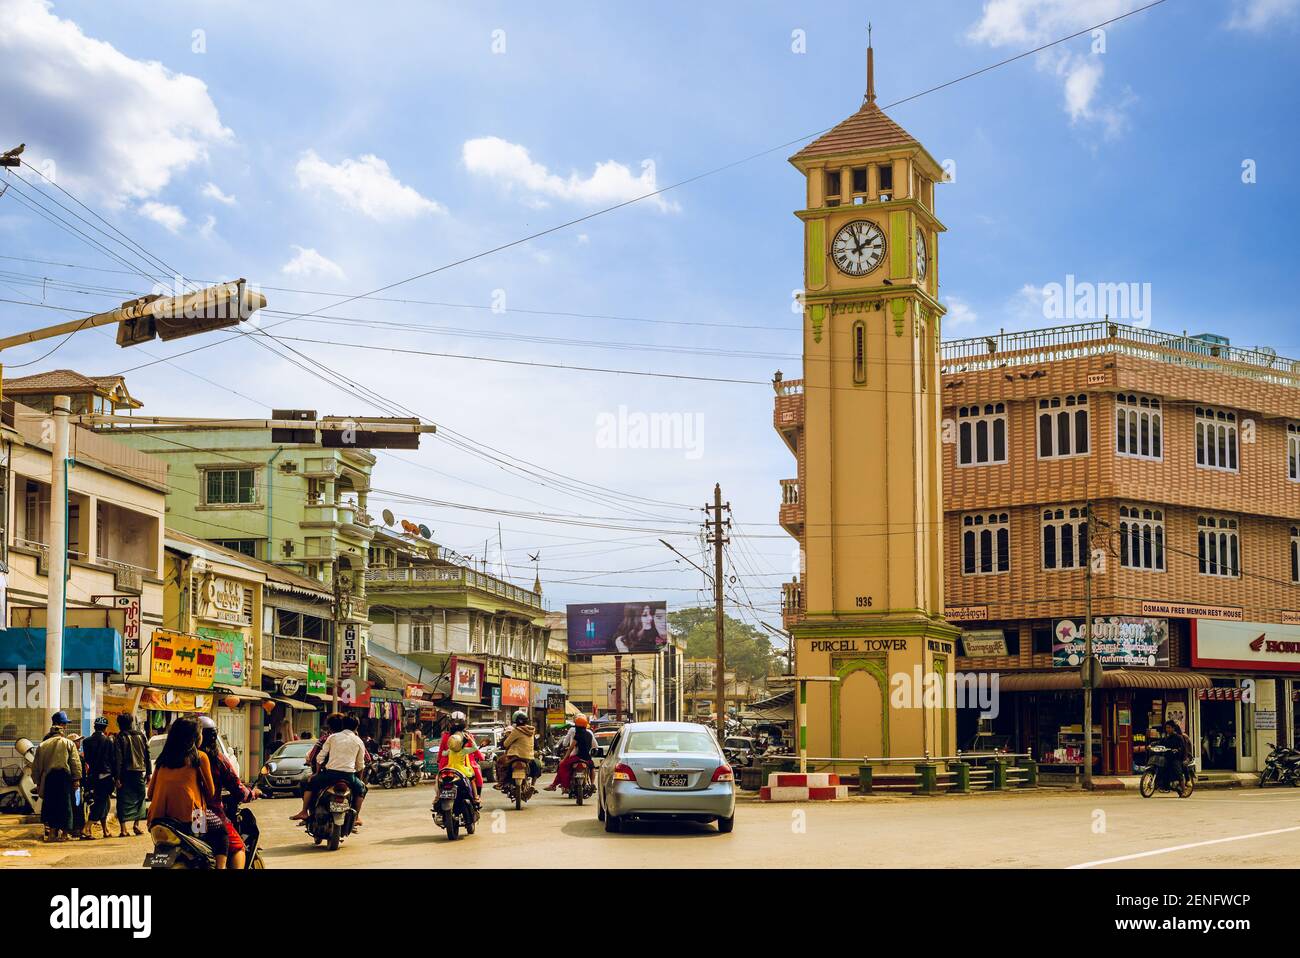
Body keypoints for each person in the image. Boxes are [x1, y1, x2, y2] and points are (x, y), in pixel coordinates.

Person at [147, 716, 224, 858]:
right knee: (222, 834)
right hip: (194, 818)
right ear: (194, 738)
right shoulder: (200, 758)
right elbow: (211, 792)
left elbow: (150, 795)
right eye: (200, 733)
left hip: (158, 820)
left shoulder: (162, 760)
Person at [197, 716, 257, 868]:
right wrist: (252, 793)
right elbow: (237, 788)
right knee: (238, 846)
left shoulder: (176, 760)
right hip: (203, 814)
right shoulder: (213, 759)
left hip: (177, 816)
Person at [292, 713, 368, 826]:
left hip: (330, 775)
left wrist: (316, 773)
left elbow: (319, 758)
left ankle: (304, 812)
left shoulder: (331, 738)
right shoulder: (358, 741)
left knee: (310, 782)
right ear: (357, 727)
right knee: (362, 789)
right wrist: (359, 779)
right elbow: (361, 765)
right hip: (349, 776)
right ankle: (356, 817)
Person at [32, 712, 82, 843]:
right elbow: (75, 762)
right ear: (61, 729)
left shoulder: (43, 745)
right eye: (64, 725)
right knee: (66, 805)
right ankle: (64, 834)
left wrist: (37, 782)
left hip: (49, 778)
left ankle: (52, 834)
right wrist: (76, 779)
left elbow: (36, 766)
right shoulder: (68, 743)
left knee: (50, 805)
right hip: (64, 777)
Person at [114, 713, 152, 837]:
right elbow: (148, 754)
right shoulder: (141, 736)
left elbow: (118, 759)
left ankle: (123, 829)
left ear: (120, 724)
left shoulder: (120, 737)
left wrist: (117, 777)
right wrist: (149, 773)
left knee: (123, 800)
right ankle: (136, 825)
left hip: (125, 774)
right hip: (139, 773)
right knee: (140, 798)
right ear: (131, 723)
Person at [80, 717, 116, 840]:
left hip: (93, 776)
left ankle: (105, 829)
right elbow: (113, 760)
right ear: (105, 728)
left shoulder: (86, 742)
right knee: (101, 803)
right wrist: (116, 777)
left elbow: (88, 760)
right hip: (106, 776)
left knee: (104, 802)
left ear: (94, 727)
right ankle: (87, 827)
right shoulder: (109, 741)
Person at [437, 711, 483, 797]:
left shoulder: (446, 736)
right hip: (466, 764)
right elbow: (475, 750)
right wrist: (481, 757)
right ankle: (477, 798)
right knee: (478, 779)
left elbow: (441, 751)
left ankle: (437, 797)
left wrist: (439, 760)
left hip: (447, 765)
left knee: (438, 779)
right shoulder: (468, 736)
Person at [546, 714, 594, 792]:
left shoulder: (577, 734)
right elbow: (593, 746)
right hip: (587, 758)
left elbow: (571, 748)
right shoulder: (589, 734)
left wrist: (564, 759)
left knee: (562, 765)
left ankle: (557, 785)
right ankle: (592, 784)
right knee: (592, 769)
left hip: (578, 757)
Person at [495, 710, 540, 788]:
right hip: (529, 757)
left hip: (516, 756)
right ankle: (532, 784)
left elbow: (506, 743)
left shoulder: (517, 730)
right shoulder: (531, 731)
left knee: (500, 762)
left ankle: (501, 782)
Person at [1161, 720, 1192, 789]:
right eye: (1166, 728)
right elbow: (1160, 742)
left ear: (1173, 728)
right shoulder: (1166, 738)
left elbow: (1184, 749)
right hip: (1170, 756)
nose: (1167, 729)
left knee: (1177, 769)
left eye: (1169, 728)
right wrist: (1151, 745)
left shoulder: (1180, 737)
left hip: (1179, 757)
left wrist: (1179, 752)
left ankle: (1184, 789)